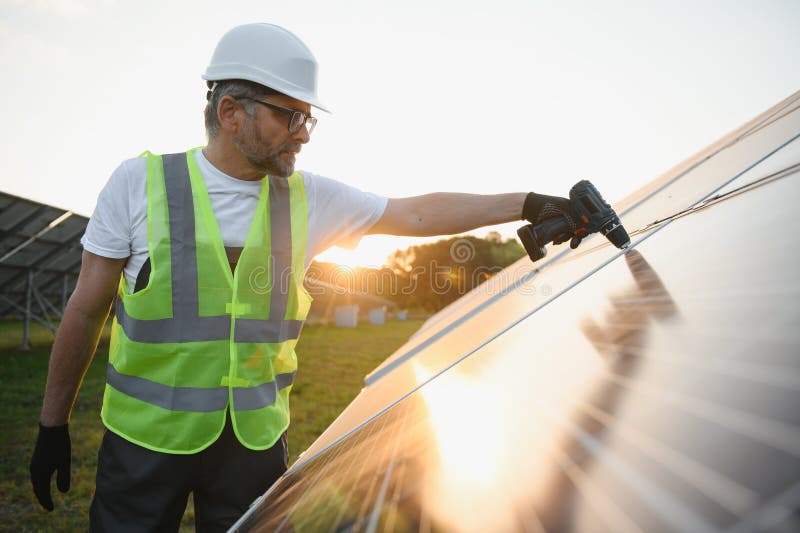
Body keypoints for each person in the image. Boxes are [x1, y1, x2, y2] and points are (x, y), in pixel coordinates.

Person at [29, 22, 586, 532]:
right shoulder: (137, 183)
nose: (304, 133)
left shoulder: (309, 197)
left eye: (307, 117)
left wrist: (527, 202)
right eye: (289, 115)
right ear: (230, 113)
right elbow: (85, 309)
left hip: (254, 450)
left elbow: (416, 212)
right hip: (143, 444)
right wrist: (53, 425)